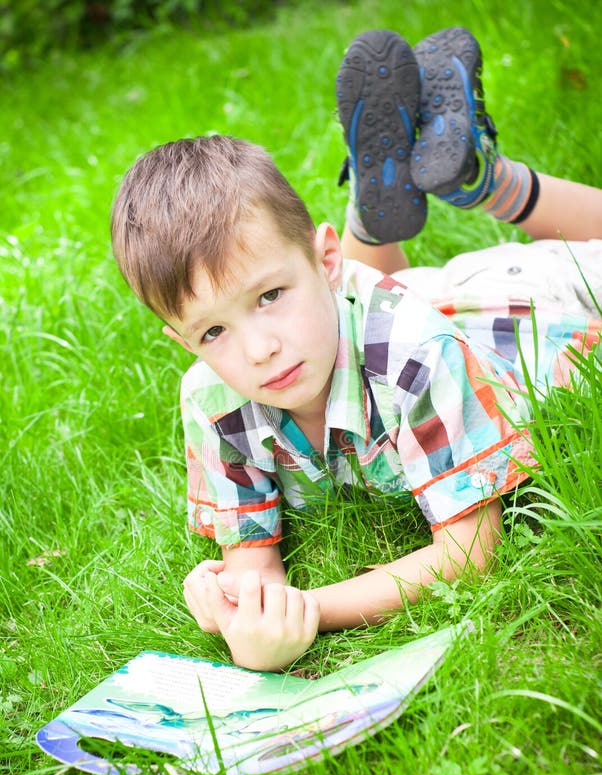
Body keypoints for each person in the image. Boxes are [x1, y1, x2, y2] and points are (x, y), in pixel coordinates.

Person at [111, 27, 602, 672]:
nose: (259, 349)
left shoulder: (418, 354)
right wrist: (244, 610)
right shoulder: (210, 395)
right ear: (186, 344)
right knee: (364, 313)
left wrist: (309, 610)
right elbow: (252, 562)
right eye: (213, 332)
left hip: (528, 312)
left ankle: (483, 179)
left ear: (324, 259)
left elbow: (471, 553)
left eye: (269, 296)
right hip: (387, 305)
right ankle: (373, 211)